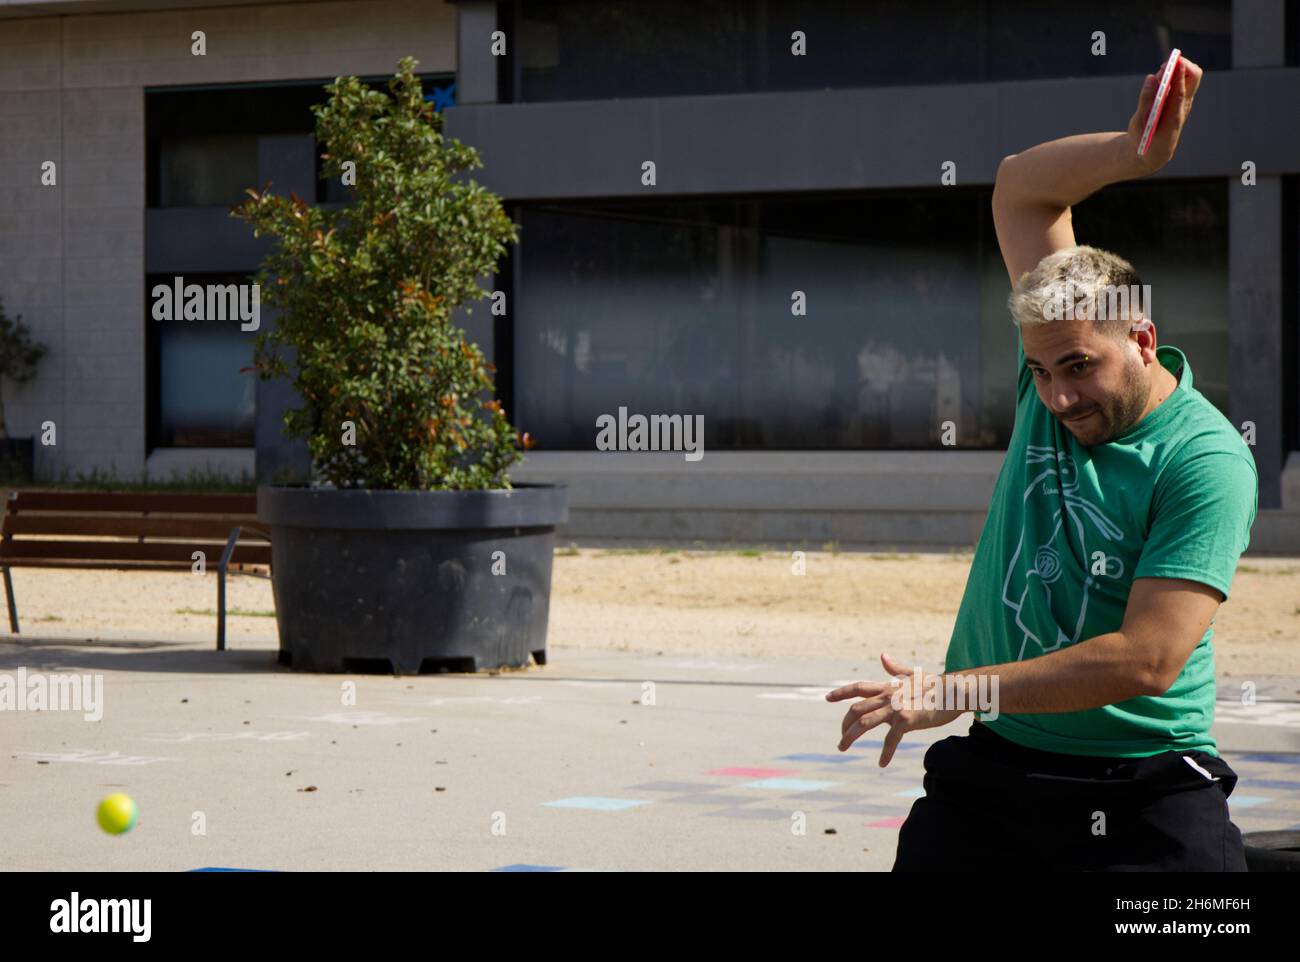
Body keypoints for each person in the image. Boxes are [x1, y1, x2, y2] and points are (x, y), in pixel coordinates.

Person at [827, 56, 1260, 871]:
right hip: (997, 771)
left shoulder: (1205, 458)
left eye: (1078, 367)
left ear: (1139, 337)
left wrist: (955, 690)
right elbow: (1021, 186)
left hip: (1143, 789)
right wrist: (1133, 155)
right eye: (1039, 373)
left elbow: (1147, 659)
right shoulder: (1056, 366)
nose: (1058, 399)